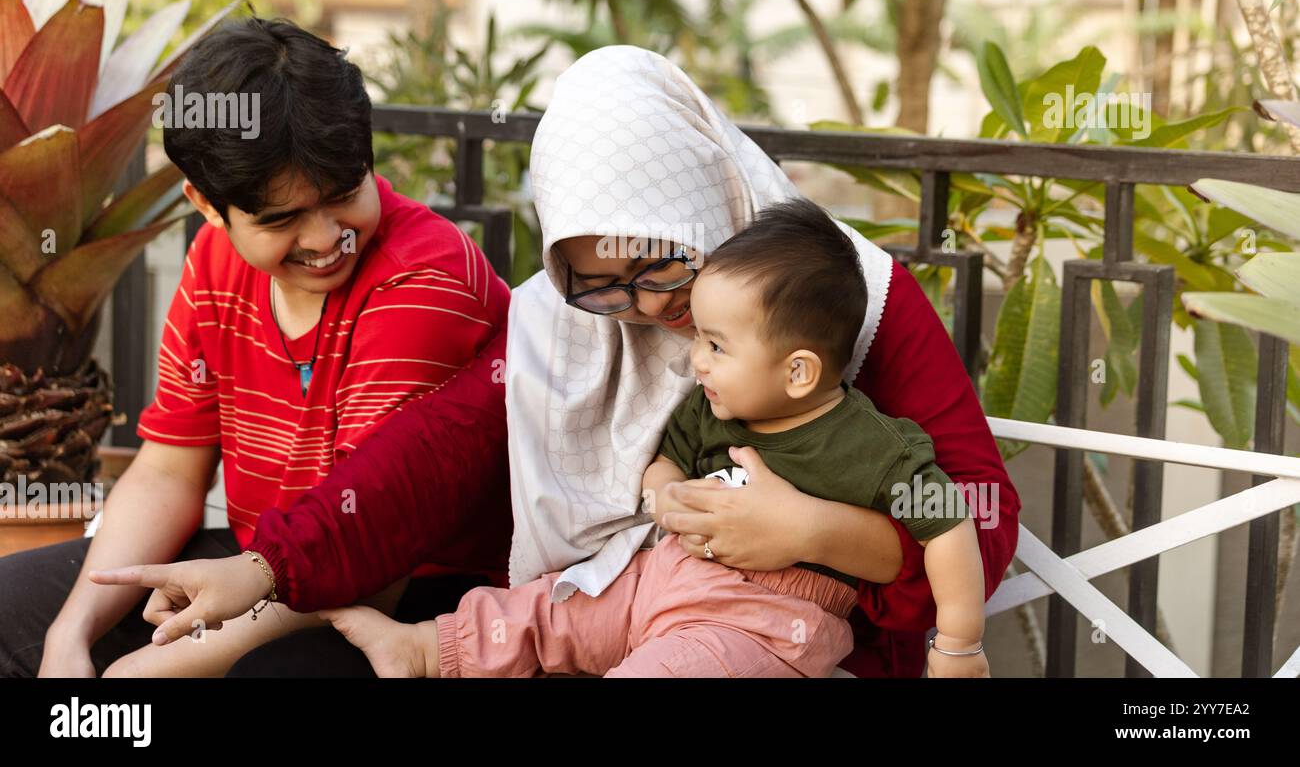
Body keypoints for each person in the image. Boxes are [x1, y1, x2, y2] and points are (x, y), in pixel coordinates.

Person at [96, 44, 1019, 678]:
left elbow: (975, 513)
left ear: (705, 203)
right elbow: (430, 453)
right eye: (599, 282)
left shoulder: (841, 301)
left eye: (664, 265)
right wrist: (264, 569)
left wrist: (808, 532)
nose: (645, 308)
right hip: (611, 618)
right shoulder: (560, 324)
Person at [0, 17, 510, 678]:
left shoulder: (424, 278)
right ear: (208, 206)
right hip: (256, 569)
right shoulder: (215, 260)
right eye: (281, 219)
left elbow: (370, 544)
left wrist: (142, 674)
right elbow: (169, 470)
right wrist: (69, 636)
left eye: (343, 195)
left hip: (417, 596)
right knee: (16, 612)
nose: (325, 239)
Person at [319, 198, 989, 677]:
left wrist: (958, 645)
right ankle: (427, 650)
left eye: (716, 345)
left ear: (798, 371)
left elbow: (951, 525)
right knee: (552, 612)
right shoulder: (714, 409)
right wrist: (665, 495)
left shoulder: (870, 444)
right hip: (662, 576)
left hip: (761, 620)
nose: (695, 359)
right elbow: (663, 463)